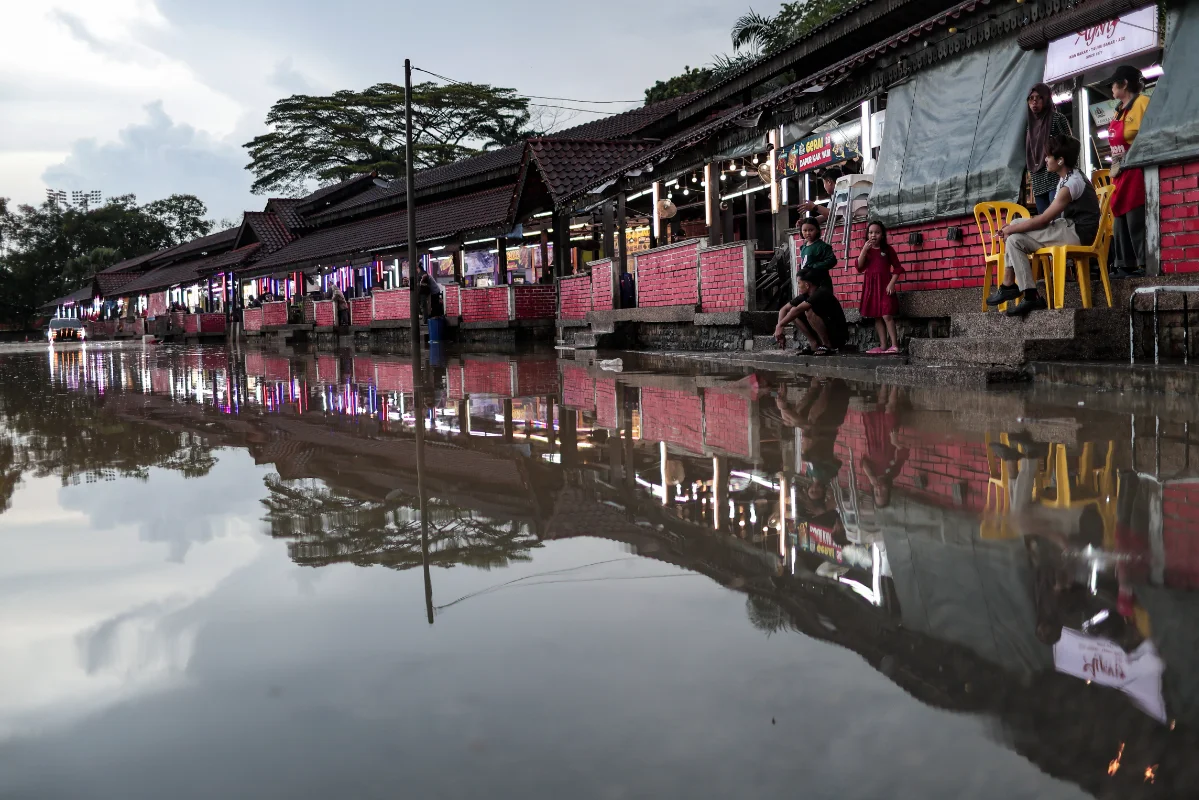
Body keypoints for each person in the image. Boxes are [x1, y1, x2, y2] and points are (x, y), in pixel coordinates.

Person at [989, 135, 1100, 317]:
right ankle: (1019, 290)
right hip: (1070, 227)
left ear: (1060, 160)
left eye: (1048, 156)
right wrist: (1013, 227)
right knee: (1015, 231)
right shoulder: (1067, 178)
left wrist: (1009, 229)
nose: (1045, 160)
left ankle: (1013, 287)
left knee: (1014, 236)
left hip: (1078, 233)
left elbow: (1044, 220)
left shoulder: (1071, 184)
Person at [1107, 65, 1151, 278]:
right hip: (1119, 171)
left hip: (1136, 169)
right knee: (1119, 217)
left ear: (1124, 83)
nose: (1111, 88)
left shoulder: (1143, 103)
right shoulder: (1118, 109)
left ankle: (1144, 264)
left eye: (1114, 83)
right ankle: (1125, 264)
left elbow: (1149, 136)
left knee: (1135, 217)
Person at [855, 220, 905, 354]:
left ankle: (894, 345)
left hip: (884, 286)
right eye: (871, 232)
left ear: (882, 235)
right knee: (877, 315)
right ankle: (883, 346)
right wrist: (864, 250)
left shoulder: (888, 250)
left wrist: (891, 283)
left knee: (886, 315)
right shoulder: (867, 250)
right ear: (867, 235)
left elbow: (898, 268)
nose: (873, 235)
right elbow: (859, 267)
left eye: (877, 232)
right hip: (871, 287)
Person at [774, 268, 848, 355]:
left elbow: (798, 309)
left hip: (837, 335)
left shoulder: (821, 292)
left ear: (807, 285)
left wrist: (781, 325)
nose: (798, 285)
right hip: (825, 332)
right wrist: (779, 330)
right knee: (793, 312)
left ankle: (828, 346)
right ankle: (814, 344)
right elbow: (784, 309)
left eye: (799, 283)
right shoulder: (805, 295)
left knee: (807, 311)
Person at [1026, 82, 1073, 215]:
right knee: (1046, 224)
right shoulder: (1030, 127)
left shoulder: (1057, 119)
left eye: (1039, 98)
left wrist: (1067, 174)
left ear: (1046, 99)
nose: (1034, 102)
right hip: (1038, 179)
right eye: (1031, 98)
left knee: (1058, 220)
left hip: (1056, 176)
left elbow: (1070, 145)